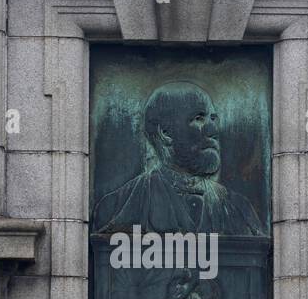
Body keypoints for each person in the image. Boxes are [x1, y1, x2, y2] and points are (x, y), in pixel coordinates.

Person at [93, 81, 264, 236]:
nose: (213, 130)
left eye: (213, 118)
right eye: (199, 119)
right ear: (165, 133)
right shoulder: (115, 208)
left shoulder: (240, 210)